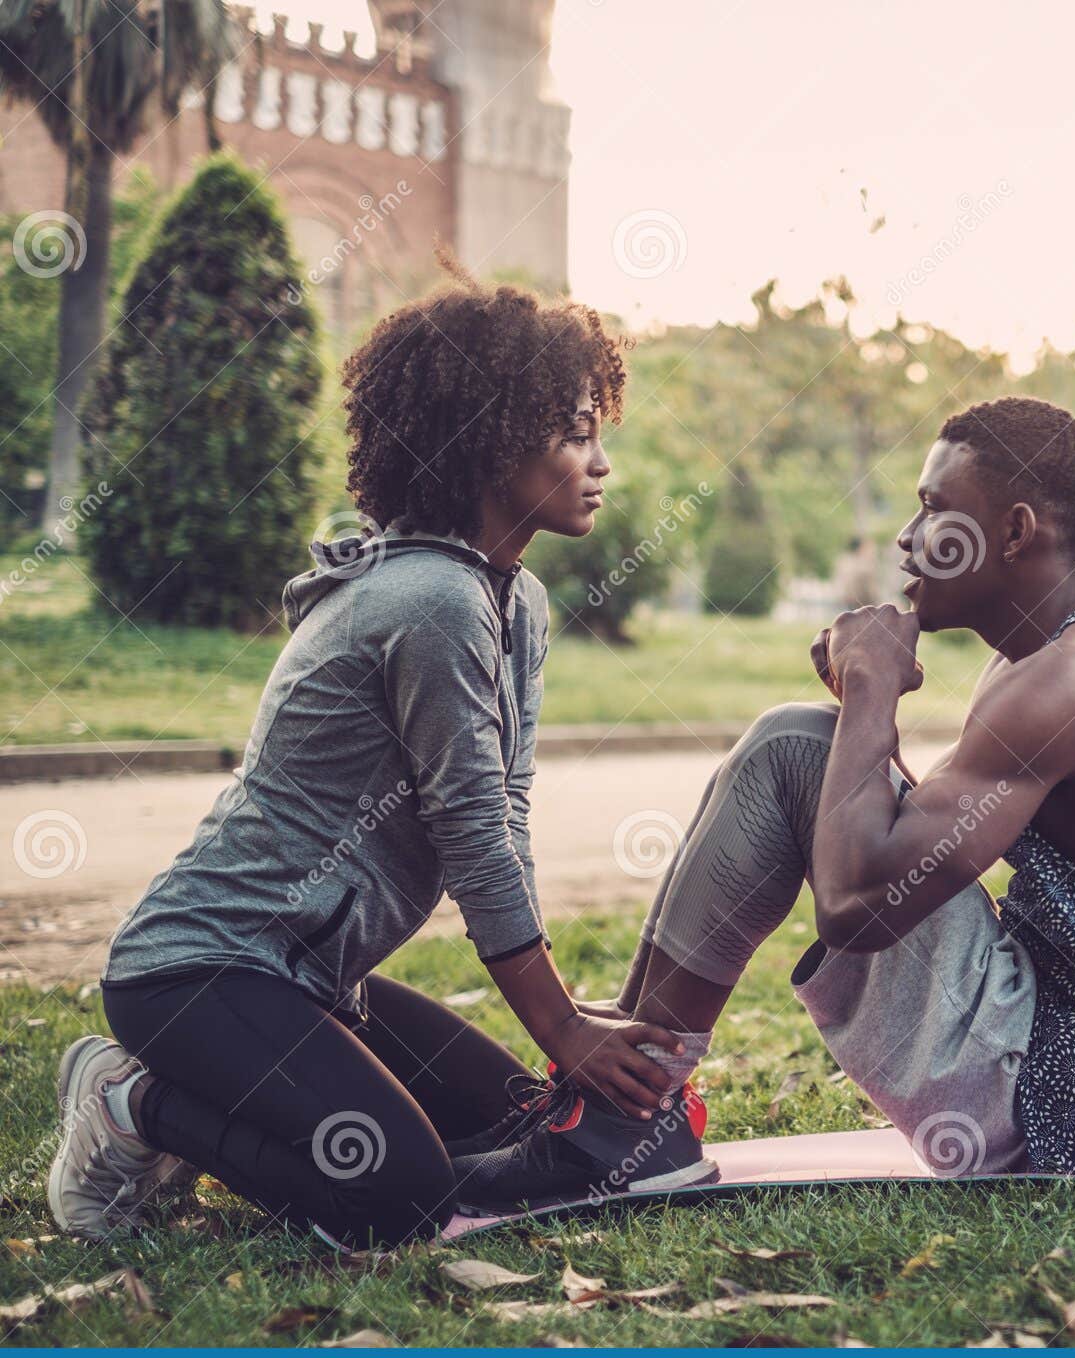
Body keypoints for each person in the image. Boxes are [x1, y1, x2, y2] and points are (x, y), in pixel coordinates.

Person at [48, 254, 709, 1251]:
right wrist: (564, 1029)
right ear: (492, 445)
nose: (602, 461)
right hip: (197, 972)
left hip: (310, 977)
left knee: (518, 1122)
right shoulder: (427, 600)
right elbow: (472, 836)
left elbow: (503, 809)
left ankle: (232, 1094)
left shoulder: (508, 598)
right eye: (577, 433)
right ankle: (132, 1101)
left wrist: (566, 1022)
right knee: (397, 1193)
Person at [453, 396, 1075, 1209]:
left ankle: (627, 1120)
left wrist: (869, 697)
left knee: (795, 745)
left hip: (1065, 1103)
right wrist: (862, 716)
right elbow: (914, 844)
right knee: (807, 747)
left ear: (1012, 532)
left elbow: (861, 906)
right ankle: (614, 1101)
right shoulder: (1056, 661)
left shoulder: (1070, 683)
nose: (907, 537)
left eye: (935, 509)